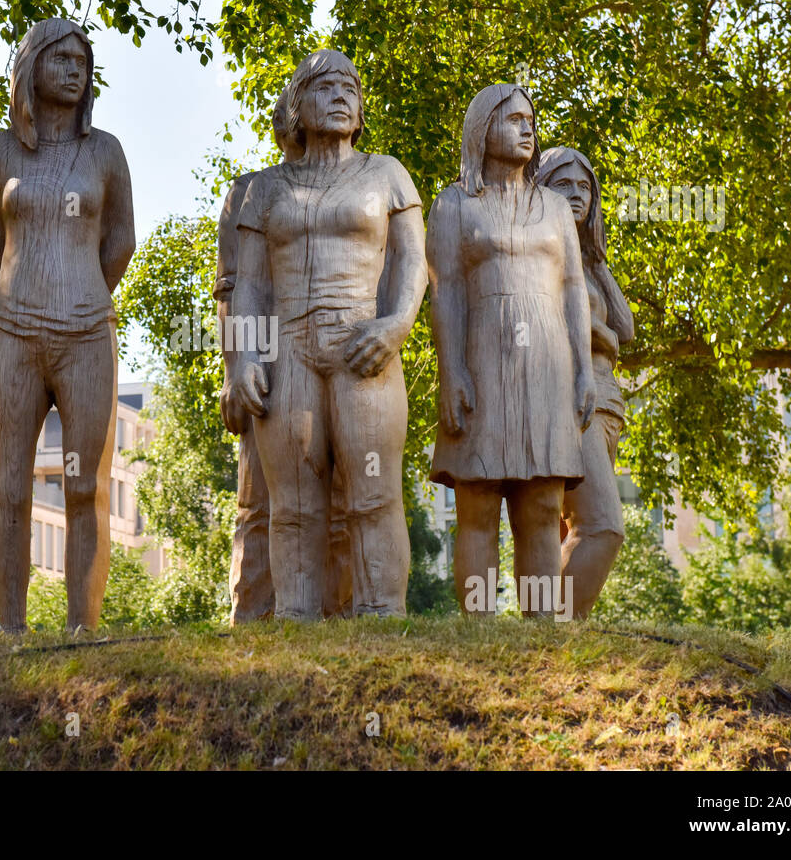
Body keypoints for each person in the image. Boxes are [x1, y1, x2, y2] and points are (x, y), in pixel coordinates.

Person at [231, 49, 427, 620]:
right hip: (287, 351)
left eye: (350, 86)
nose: (341, 95)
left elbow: (414, 264)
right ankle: (296, 623)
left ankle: (382, 618)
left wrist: (394, 327)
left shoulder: (388, 175)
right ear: (298, 106)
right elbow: (250, 286)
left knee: (373, 495)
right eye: (324, 86)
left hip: (363, 344)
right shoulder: (264, 190)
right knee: (293, 505)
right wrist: (243, 357)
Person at [0, 18, 135, 632]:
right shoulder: (3, 152)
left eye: (83, 61)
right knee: (9, 486)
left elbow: (120, 238)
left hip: (87, 333)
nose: (75, 69)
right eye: (61, 58)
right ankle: (11, 631)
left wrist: (81, 293)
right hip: (13, 331)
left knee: (84, 487)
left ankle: (81, 629)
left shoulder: (106, 152)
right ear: (31, 67)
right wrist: (26, 291)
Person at [427, 84, 593, 618]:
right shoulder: (454, 203)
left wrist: (585, 371)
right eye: (513, 119)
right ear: (483, 128)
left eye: (531, 120)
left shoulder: (553, 207)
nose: (527, 129)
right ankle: (479, 628)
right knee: (477, 497)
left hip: (549, 359)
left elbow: (572, 288)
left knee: (543, 503)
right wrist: (451, 369)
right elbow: (445, 289)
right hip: (482, 356)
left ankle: (541, 627)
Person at [216, 86, 353, 623]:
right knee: (262, 501)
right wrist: (237, 368)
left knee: (344, 495)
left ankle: (342, 621)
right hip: (267, 362)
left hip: (340, 361)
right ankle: (254, 621)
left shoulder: (360, 187)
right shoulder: (251, 191)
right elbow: (231, 289)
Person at [536, 146, 634, 617]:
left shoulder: (587, 263)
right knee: (602, 527)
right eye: (563, 185)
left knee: (562, 527)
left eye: (585, 188)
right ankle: (557, 630)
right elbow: (547, 312)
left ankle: (553, 643)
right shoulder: (539, 250)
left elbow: (626, 329)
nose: (576, 195)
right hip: (571, 399)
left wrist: (594, 253)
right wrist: (601, 334)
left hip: (607, 404)